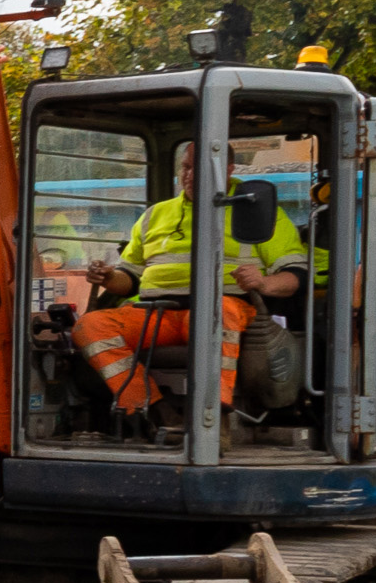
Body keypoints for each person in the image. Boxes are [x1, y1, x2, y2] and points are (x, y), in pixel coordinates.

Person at [72, 182, 308, 431]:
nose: (190, 175)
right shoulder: (155, 214)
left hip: (228, 309)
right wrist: (109, 278)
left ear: (226, 168)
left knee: (214, 315)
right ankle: (150, 409)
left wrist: (263, 282)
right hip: (158, 313)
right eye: (185, 167)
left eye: (196, 168)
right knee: (90, 325)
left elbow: (296, 275)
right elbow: (130, 279)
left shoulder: (258, 213)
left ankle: (214, 418)